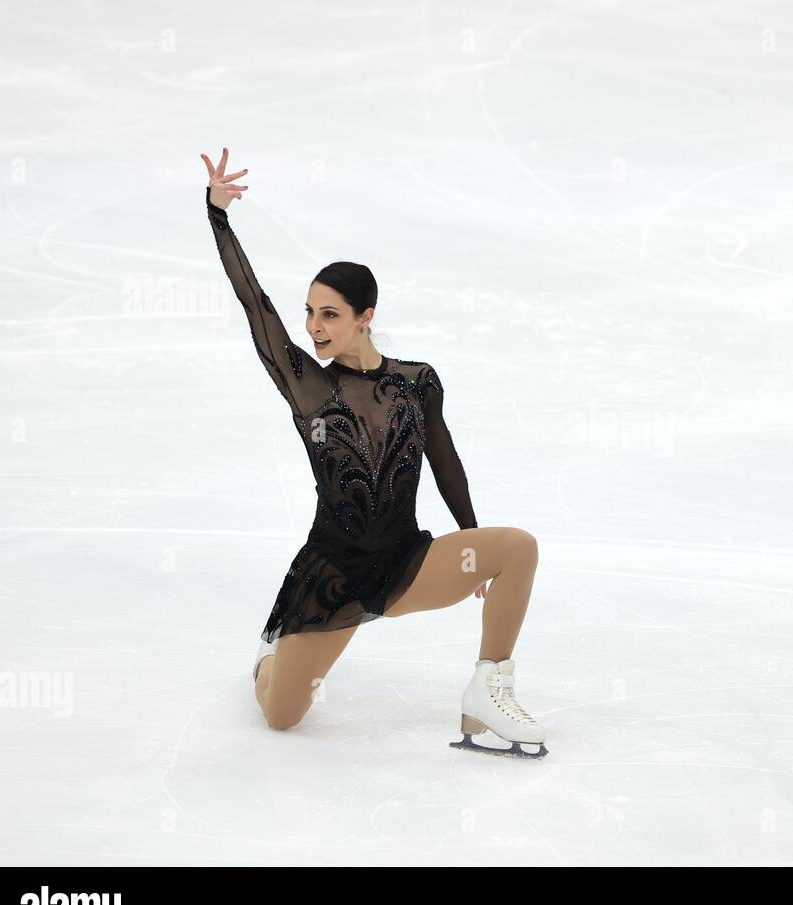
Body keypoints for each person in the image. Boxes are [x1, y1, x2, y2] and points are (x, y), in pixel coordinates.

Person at [200, 147, 546, 757]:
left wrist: (471, 541)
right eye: (310, 313)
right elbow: (257, 307)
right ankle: (269, 660)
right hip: (333, 577)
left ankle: (487, 694)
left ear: (366, 317)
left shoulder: (417, 382)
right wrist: (218, 217)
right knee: (282, 717)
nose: (314, 327)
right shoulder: (309, 387)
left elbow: (445, 461)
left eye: (329, 314)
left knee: (517, 547)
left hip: (405, 563)